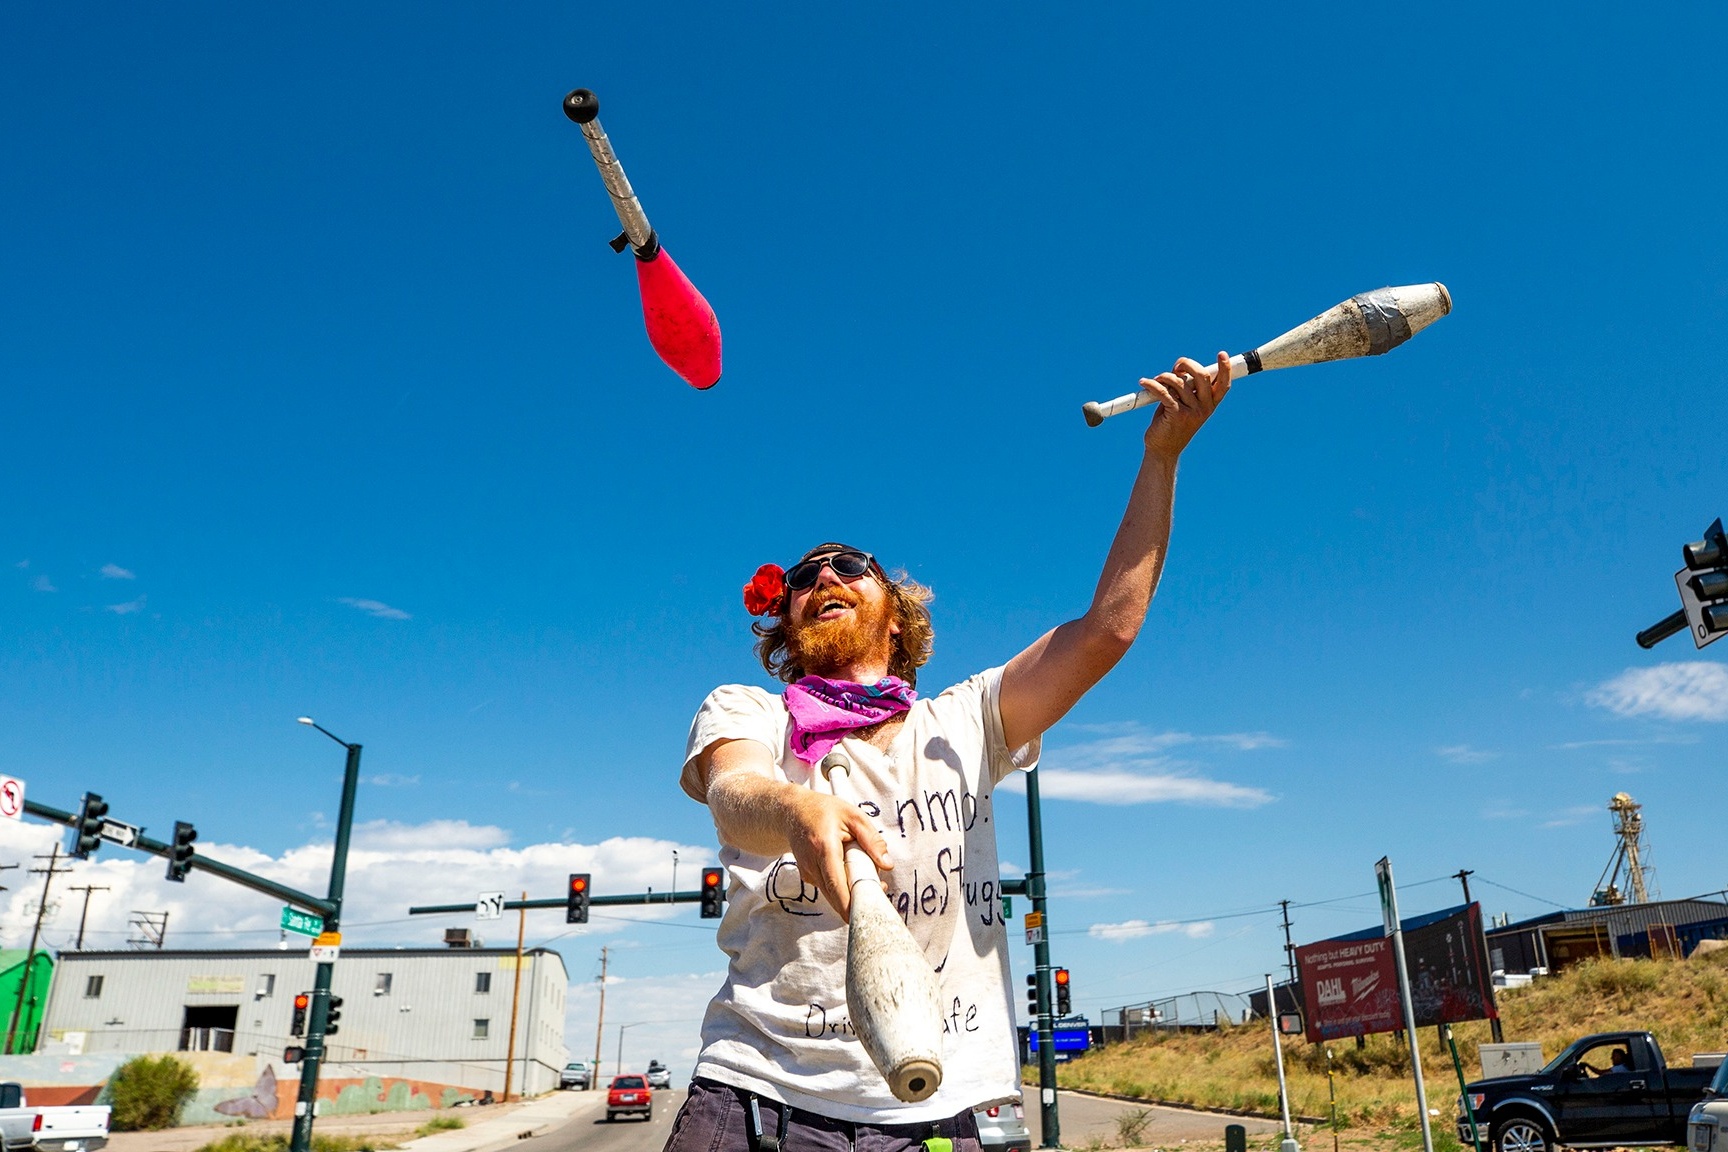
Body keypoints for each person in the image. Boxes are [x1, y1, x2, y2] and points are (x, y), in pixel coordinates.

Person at [669, 356, 1233, 1152]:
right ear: (788, 624)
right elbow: (736, 791)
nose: (824, 574)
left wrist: (1162, 456)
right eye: (803, 576)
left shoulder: (967, 719)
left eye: (850, 566)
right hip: (759, 1097)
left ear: (895, 618)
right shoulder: (749, 710)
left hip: (940, 1109)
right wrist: (797, 809)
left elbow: (1108, 629)